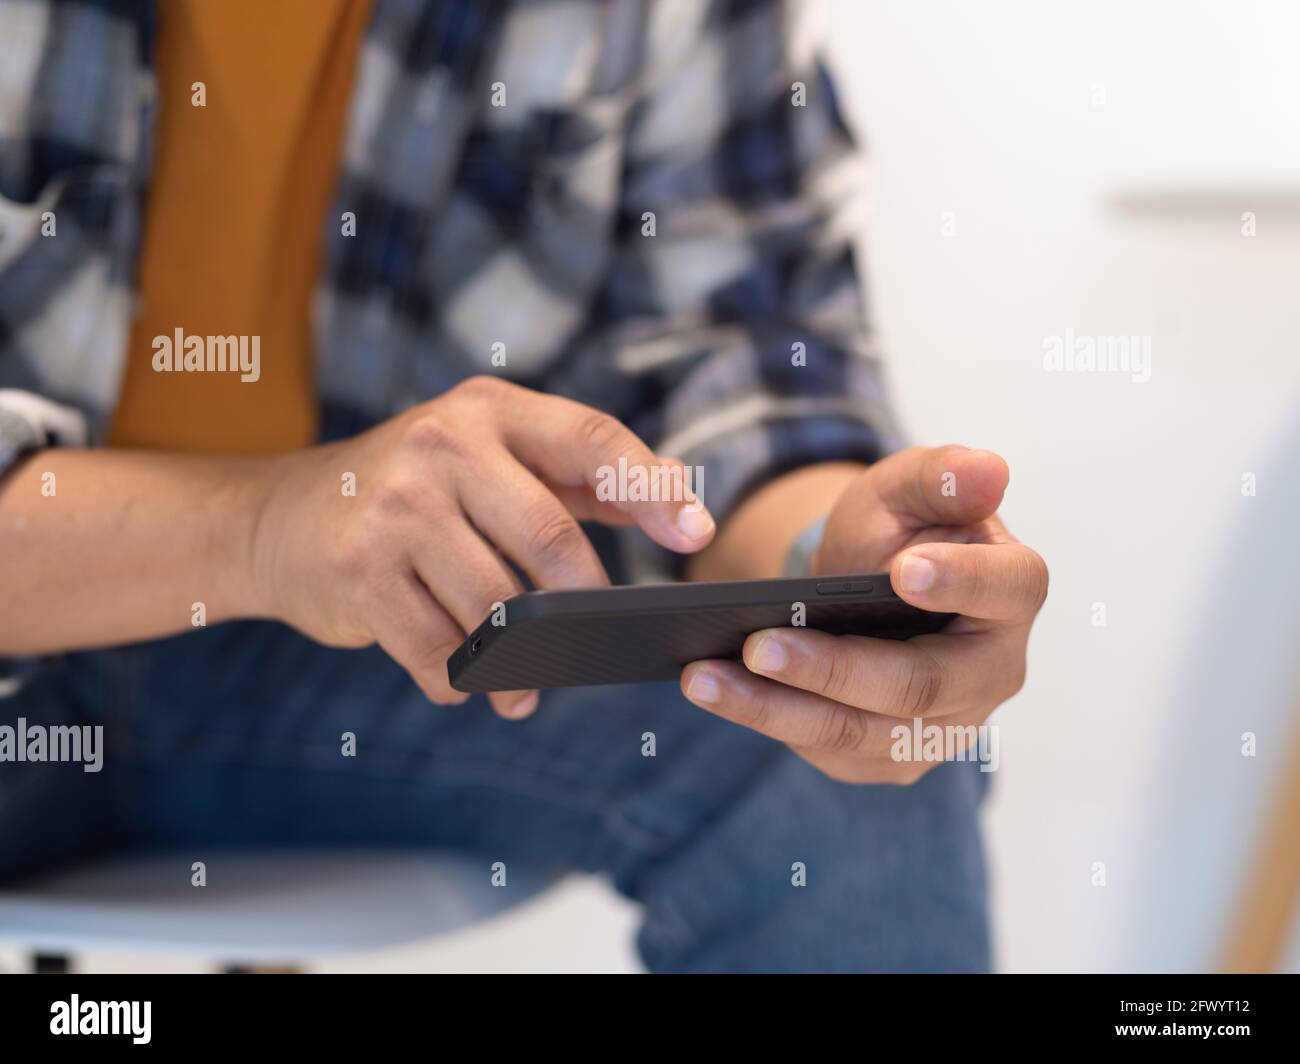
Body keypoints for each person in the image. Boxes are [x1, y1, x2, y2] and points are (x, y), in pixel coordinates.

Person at [0, 0, 1046, 971]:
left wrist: (833, 568)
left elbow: (735, 349)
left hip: (347, 654)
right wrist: (266, 526)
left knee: (819, 742)